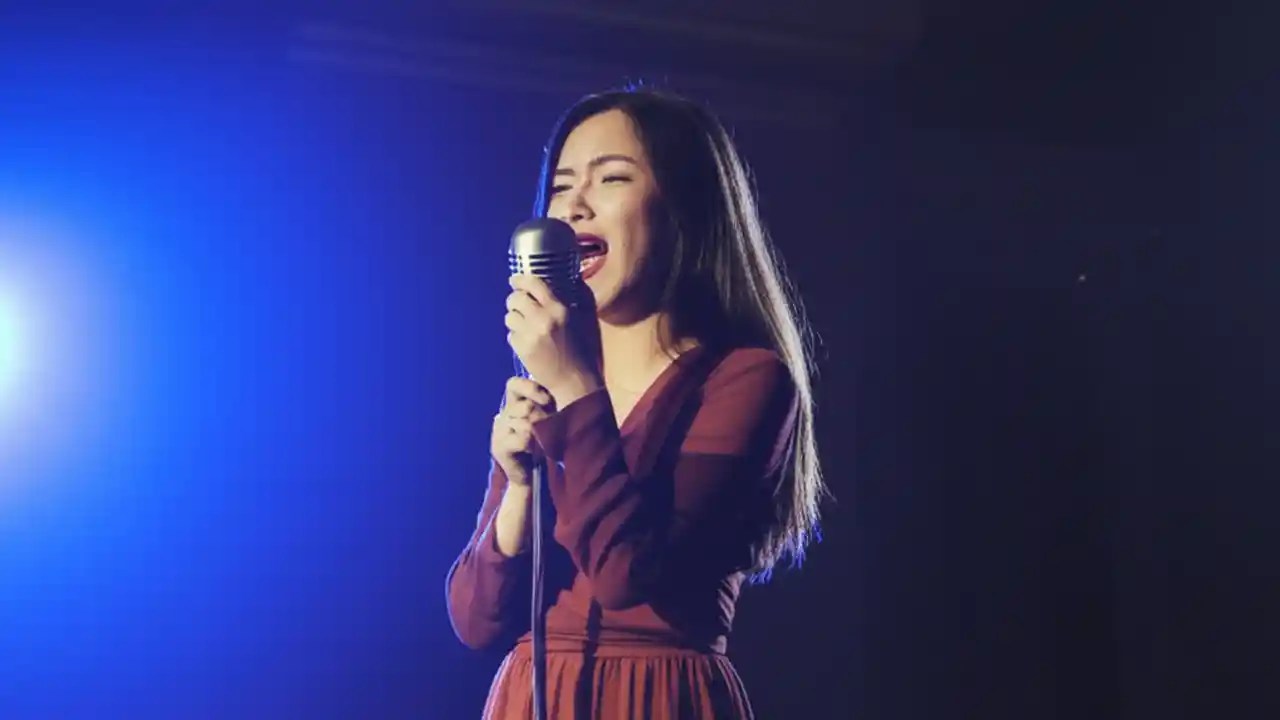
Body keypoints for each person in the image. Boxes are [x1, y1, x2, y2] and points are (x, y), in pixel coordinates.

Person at [446, 87, 824, 719]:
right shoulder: (547, 380)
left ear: (682, 209)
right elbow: (477, 619)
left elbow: (625, 572)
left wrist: (575, 390)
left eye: (611, 178)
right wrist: (516, 489)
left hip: (656, 696)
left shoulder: (744, 378)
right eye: (562, 186)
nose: (575, 207)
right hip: (533, 696)